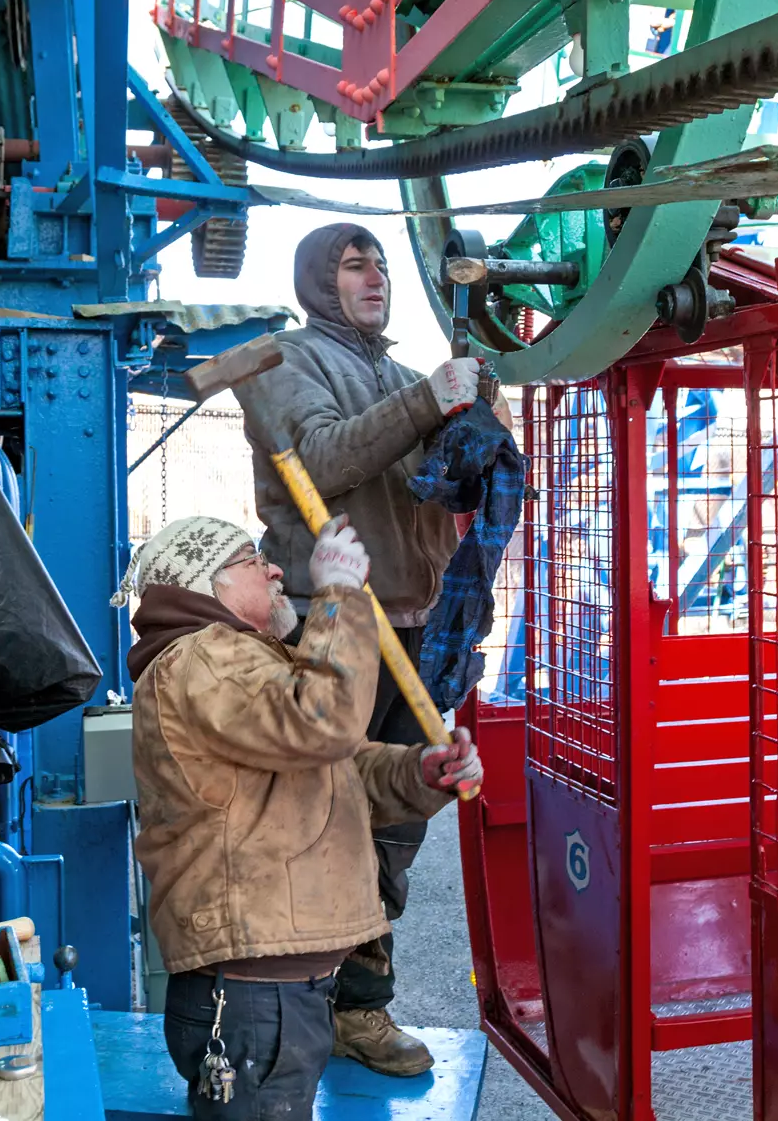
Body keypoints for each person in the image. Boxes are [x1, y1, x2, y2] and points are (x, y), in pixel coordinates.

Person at [120, 514, 483, 1119]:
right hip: (254, 997)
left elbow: (337, 766)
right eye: (249, 560)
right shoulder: (203, 660)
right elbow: (324, 722)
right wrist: (339, 594)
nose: (274, 569)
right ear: (208, 586)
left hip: (269, 995)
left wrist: (421, 772)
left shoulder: (241, 663)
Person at [235, 222, 480, 1075]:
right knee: (324, 817)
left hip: (415, 620)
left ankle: (360, 1004)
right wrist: (425, 402)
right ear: (316, 279)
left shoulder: (407, 373)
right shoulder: (287, 364)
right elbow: (326, 457)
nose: (374, 273)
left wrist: (475, 427)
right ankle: (303, 1002)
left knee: (400, 820)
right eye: (351, 263)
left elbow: (441, 482)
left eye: (379, 262)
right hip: (335, 620)